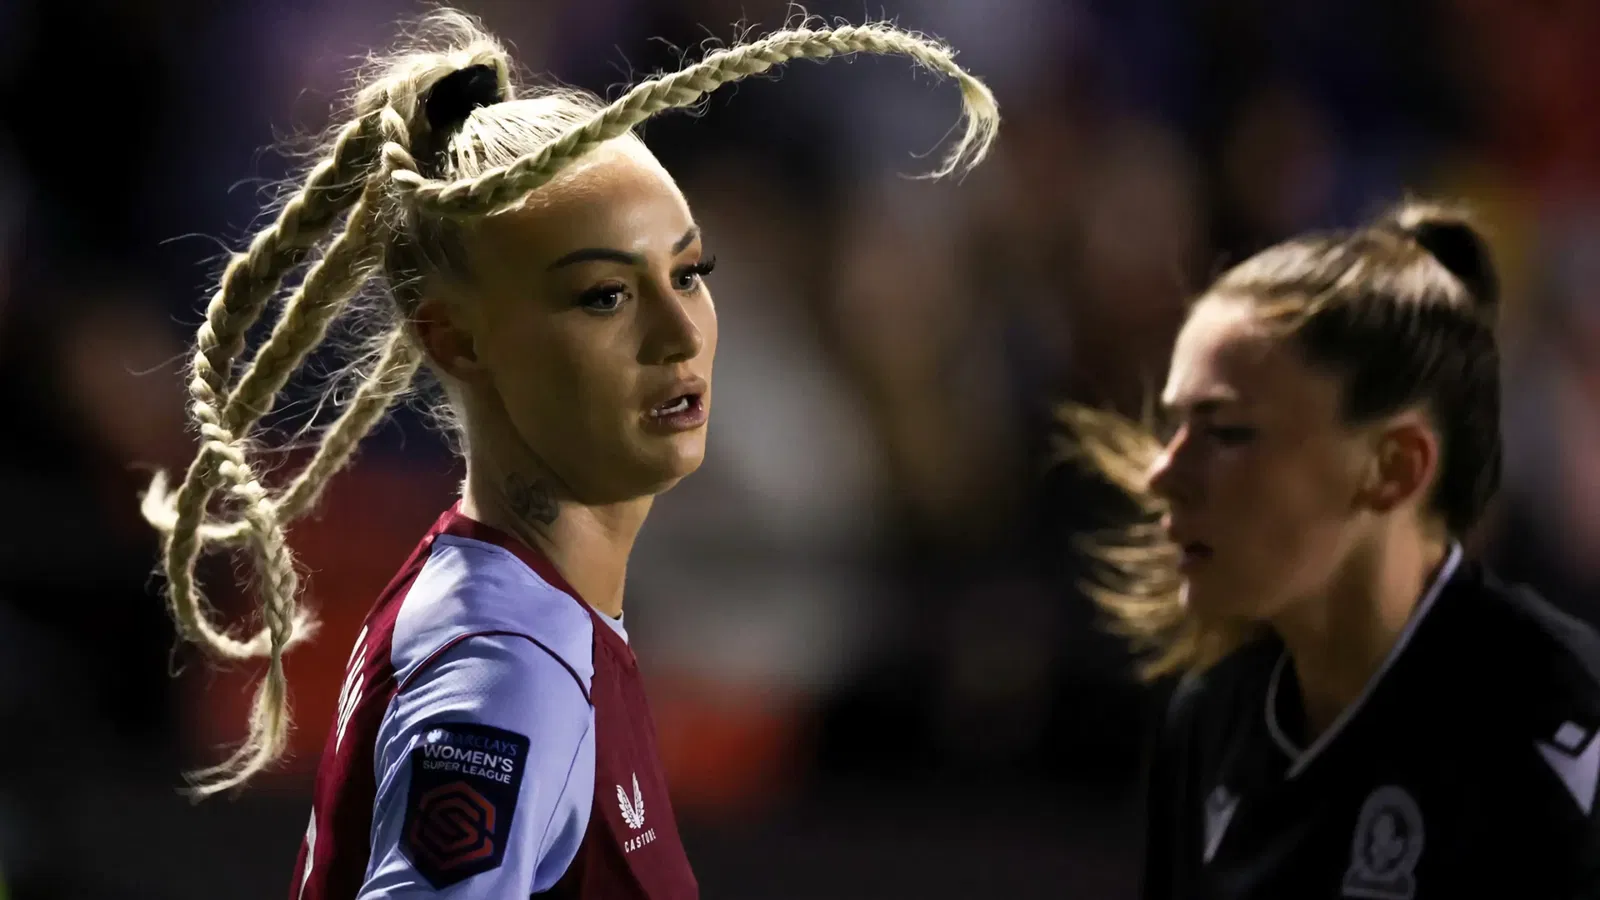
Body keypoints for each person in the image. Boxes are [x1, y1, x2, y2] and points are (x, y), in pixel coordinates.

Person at [138, 9, 997, 899]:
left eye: (690, 272)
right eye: (601, 295)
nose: (677, 332)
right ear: (460, 343)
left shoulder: (545, 626)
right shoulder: (503, 668)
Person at [1058, 201, 1600, 899]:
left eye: (1226, 433)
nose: (1163, 474)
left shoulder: (1563, 735)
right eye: (1176, 424)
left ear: (1394, 468)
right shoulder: (1209, 722)